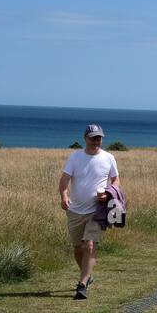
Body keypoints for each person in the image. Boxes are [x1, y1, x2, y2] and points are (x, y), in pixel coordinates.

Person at [59, 124, 120, 300]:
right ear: (85, 138)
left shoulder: (109, 157)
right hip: (75, 210)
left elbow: (116, 179)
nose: (96, 141)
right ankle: (87, 274)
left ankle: (82, 284)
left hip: (97, 210)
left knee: (90, 245)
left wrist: (109, 192)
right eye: (93, 137)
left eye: (99, 138)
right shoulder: (75, 157)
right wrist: (64, 195)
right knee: (78, 248)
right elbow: (64, 180)